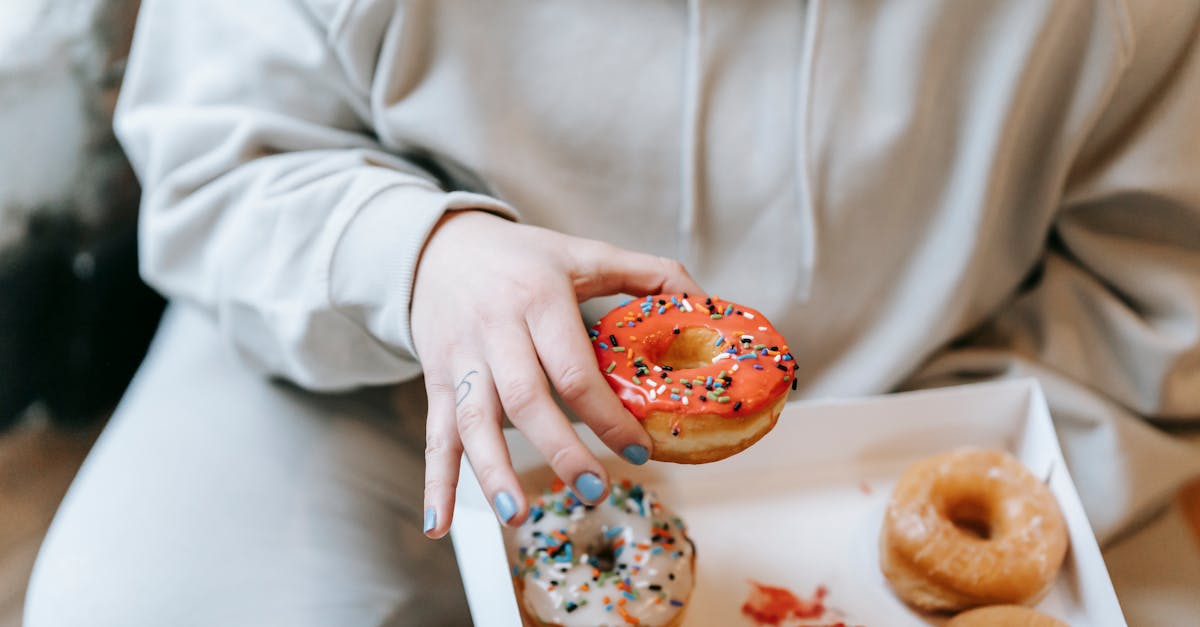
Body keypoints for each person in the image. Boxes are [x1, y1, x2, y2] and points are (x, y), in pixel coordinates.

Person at [25, 1, 1200, 625]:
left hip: (921, 405)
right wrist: (420, 253)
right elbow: (223, 157)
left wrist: (889, 481)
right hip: (373, 381)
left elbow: (1157, 286)